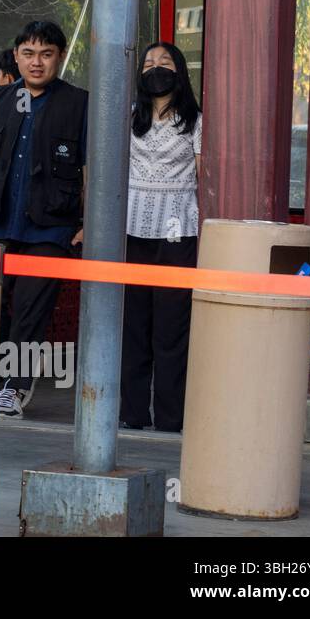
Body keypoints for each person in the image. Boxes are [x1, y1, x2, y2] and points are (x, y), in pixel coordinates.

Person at [0, 21, 87, 419]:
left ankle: (16, 388)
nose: (36, 62)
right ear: (17, 56)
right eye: (28, 53)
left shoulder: (78, 104)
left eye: (46, 54)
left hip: (51, 226)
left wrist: (88, 220)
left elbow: (91, 166)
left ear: (59, 57)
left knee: (30, 306)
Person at [121, 42, 201, 432]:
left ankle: (171, 419)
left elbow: (207, 178)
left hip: (178, 233)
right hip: (132, 232)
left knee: (171, 330)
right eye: (149, 63)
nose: (156, 69)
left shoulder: (196, 121)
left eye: (165, 62)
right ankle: (131, 415)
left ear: (179, 72)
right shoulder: (128, 117)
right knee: (133, 326)